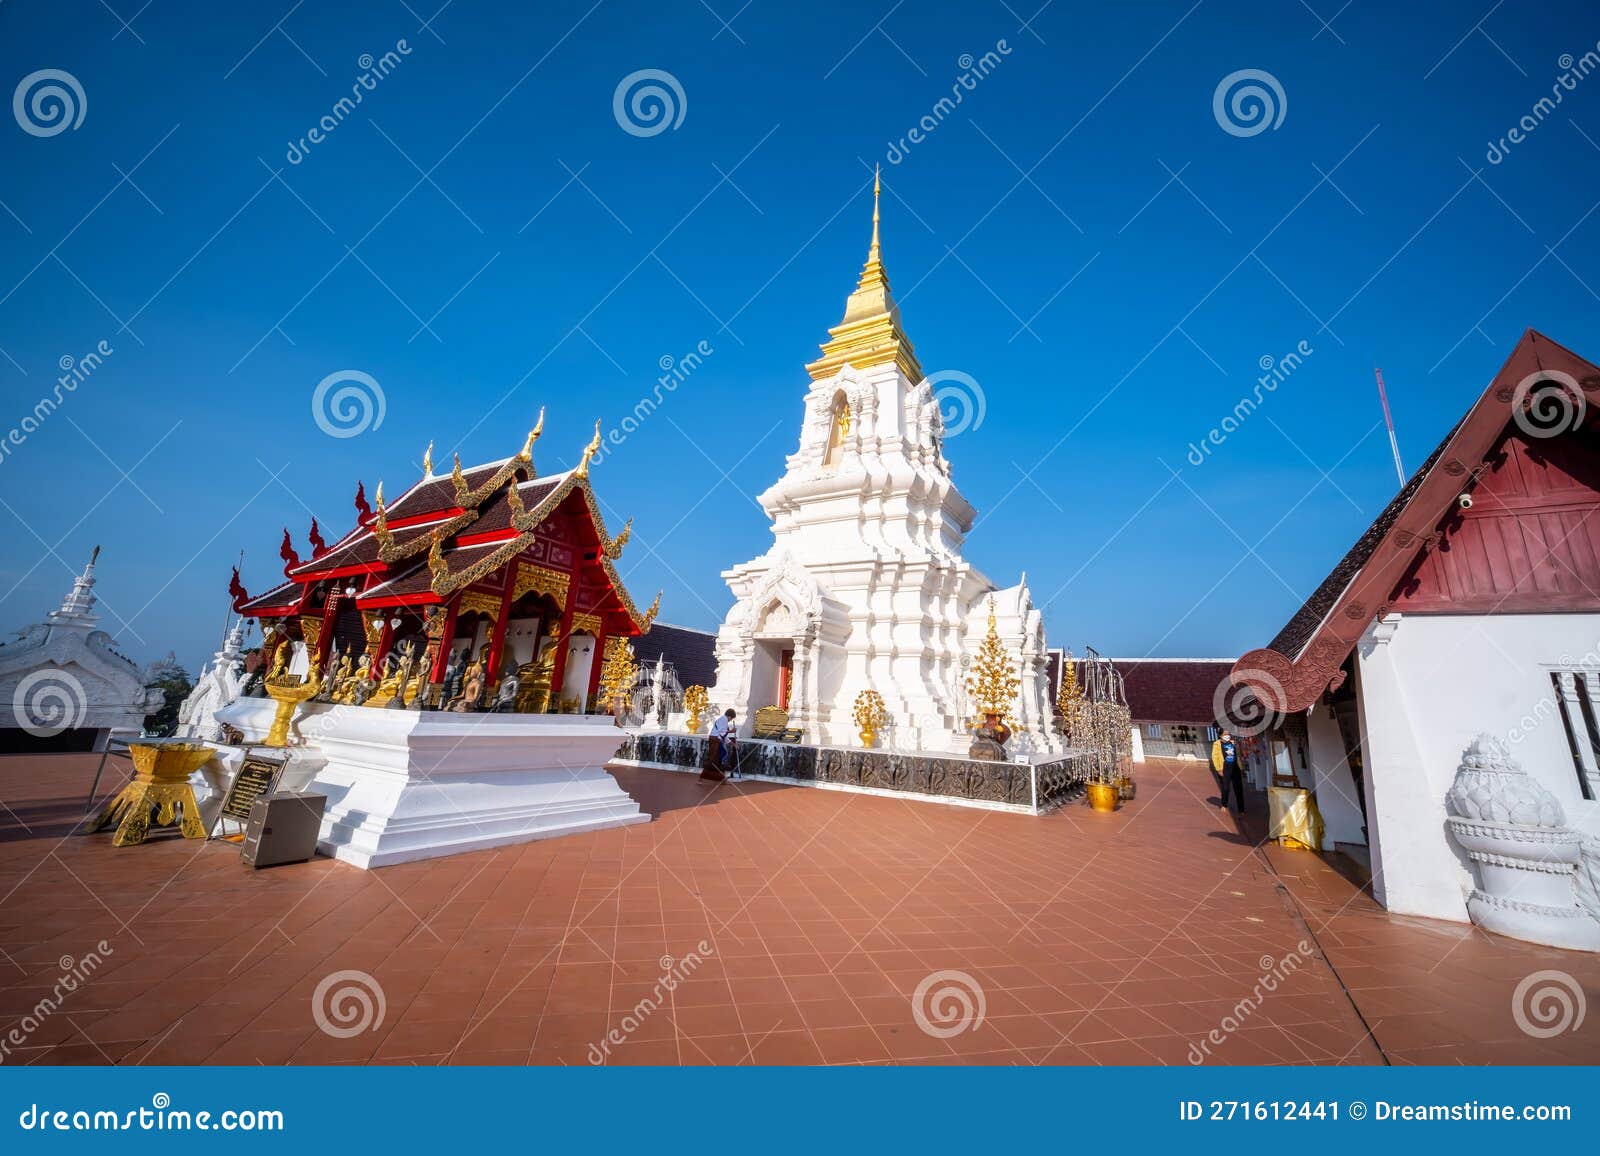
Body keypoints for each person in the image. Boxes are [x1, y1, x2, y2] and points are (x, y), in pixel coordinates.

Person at [1210, 729, 1245, 814]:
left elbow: (1238, 754)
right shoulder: (1217, 744)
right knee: (1225, 788)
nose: (1227, 736)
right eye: (1225, 734)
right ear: (1220, 735)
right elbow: (1215, 757)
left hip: (1235, 768)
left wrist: (1241, 767)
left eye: (1228, 734)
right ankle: (1224, 804)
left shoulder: (1233, 742)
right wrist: (1218, 769)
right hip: (1224, 768)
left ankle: (1241, 809)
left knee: (1238, 788)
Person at [702, 709, 738, 782]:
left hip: (716, 740)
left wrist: (733, 744)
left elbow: (724, 736)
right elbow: (721, 732)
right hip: (715, 741)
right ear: (729, 716)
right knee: (713, 759)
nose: (730, 720)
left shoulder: (723, 720)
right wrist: (731, 731)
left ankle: (721, 779)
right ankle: (701, 778)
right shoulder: (723, 720)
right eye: (731, 718)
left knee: (718, 759)